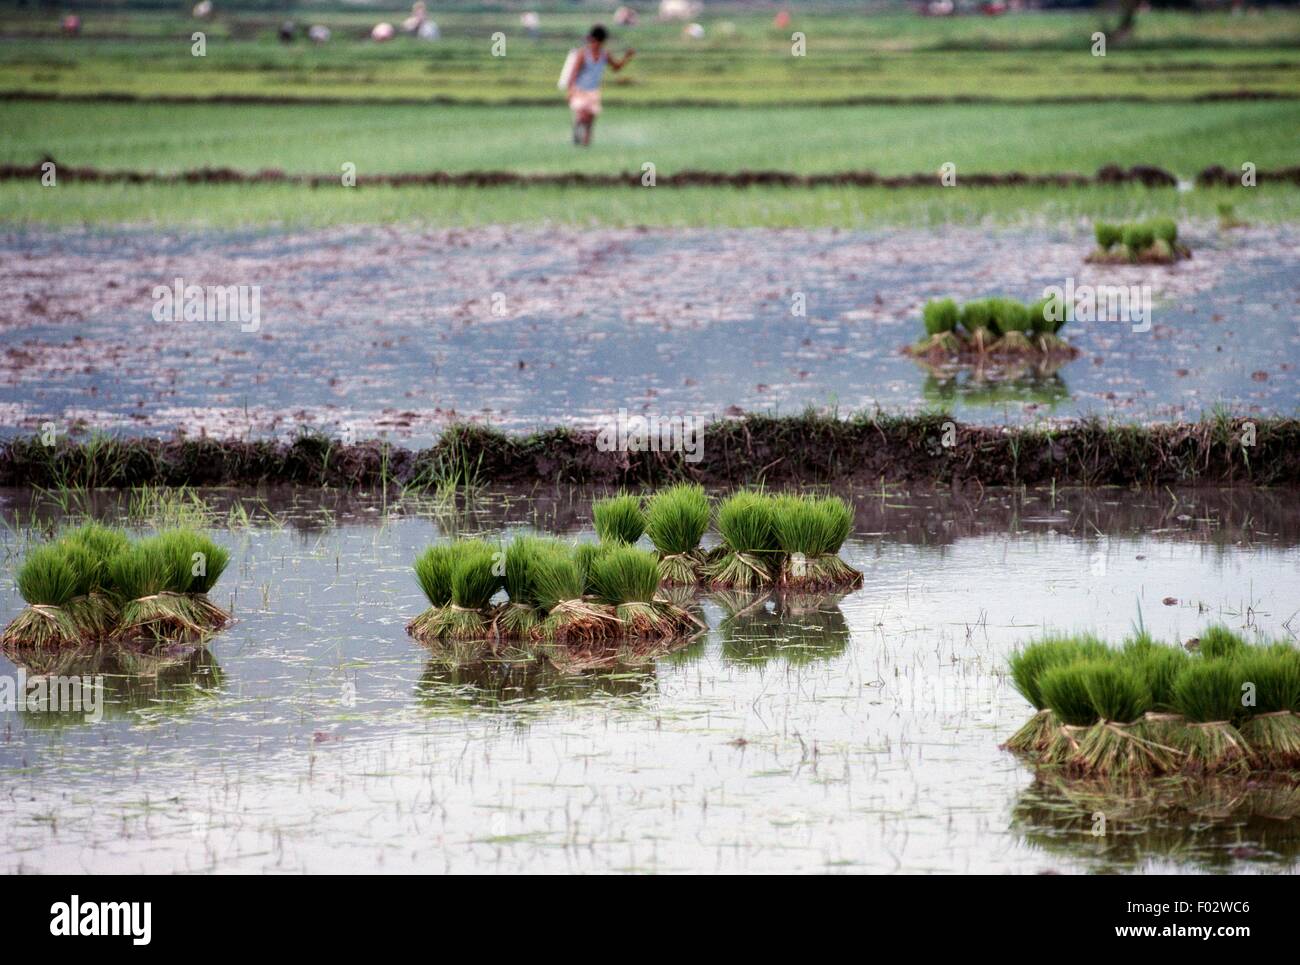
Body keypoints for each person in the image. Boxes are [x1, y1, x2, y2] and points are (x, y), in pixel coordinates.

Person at [565, 25, 633, 147]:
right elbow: (573, 73)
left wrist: (627, 58)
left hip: (593, 91)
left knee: (591, 119)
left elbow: (616, 68)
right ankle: (577, 130)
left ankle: (586, 145)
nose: (594, 44)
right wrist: (570, 90)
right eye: (593, 41)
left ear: (601, 41)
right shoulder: (583, 54)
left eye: (597, 42)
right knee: (582, 115)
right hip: (580, 90)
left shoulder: (604, 55)